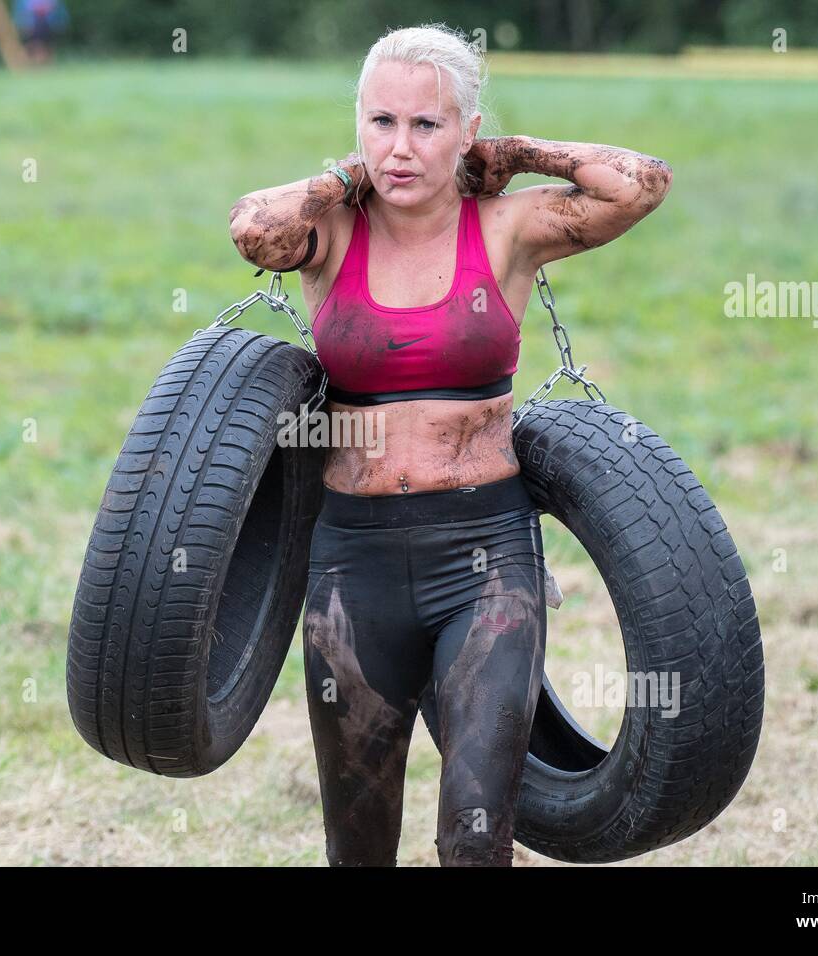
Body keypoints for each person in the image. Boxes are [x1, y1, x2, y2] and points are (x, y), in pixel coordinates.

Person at [228, 23, 672, 866]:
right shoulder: (331, 233)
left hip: (485, 558)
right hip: (349, 565)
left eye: (427, 126)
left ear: (466, 132)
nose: (401, 148)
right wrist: (346, 176)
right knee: (358, 846)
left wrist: (519, 151)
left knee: (475, 830)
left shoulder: (506, 229)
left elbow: (641, 185)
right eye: (380, 122)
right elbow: (252, 229)